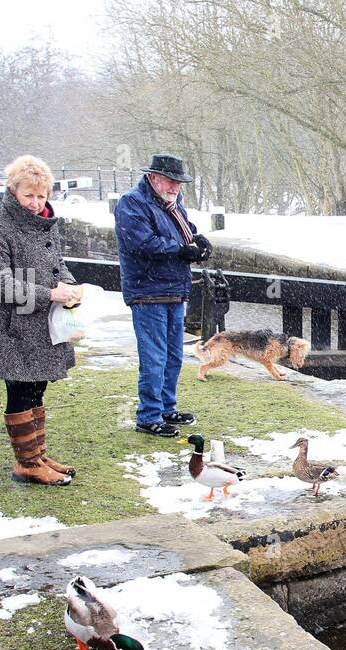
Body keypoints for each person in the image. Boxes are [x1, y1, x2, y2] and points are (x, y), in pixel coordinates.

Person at [0, 155, 82, 486]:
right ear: (12, 190)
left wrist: (69, 285)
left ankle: (37, 454)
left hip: (38, 322)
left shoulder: (45, 221)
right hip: (8, 326)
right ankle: (26, 463)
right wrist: (51, 294)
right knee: (21, 386)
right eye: (28, 196)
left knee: (38, 384)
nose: (36, 204)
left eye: (41, 196)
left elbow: (55, 263)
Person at [113, 153, 212, 437]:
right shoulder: (132, 203)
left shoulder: (171, 202)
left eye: (179, 183)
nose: (175, 187)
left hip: (173, 287)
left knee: (172, 355)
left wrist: (197, 242)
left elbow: (184, 232)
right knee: (154, 356)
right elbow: (141, 243)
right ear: (153, 177)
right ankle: (149, 415)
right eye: (171, 181)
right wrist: (182, 249)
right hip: (147, 290)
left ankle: (166, 408)